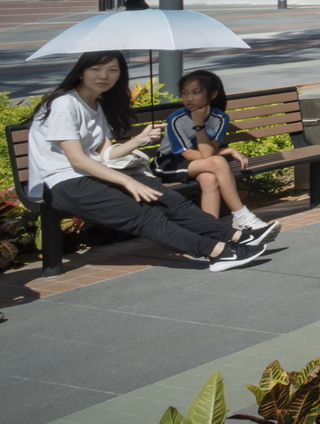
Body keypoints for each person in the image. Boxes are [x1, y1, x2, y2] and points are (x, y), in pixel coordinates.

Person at [28, 51, 270, 273]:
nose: (104, 76)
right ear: (81, 72)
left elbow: (105, 155)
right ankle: (217, 252)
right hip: (61, 183)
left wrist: (139, 139)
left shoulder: (95, 104)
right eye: (96, 69)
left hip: (92, 174)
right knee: (145, 214)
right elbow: (77, 159)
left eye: (112, 70)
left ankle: (237, 236)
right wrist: (127, 181)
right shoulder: (64, 104)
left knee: (168, 199)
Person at [162, 70, 275, 238]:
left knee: (210, 178)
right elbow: (189, 155)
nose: (189, 98)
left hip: (199, 164)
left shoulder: (220, 118)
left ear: (213, 94)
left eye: (196, 92)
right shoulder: (176, 119)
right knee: (218, 162)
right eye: (184, 93)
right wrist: (201, 126)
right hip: (170, 164)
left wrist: (201, 126)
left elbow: (208, 152)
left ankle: (210, 233)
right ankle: (241, 215)